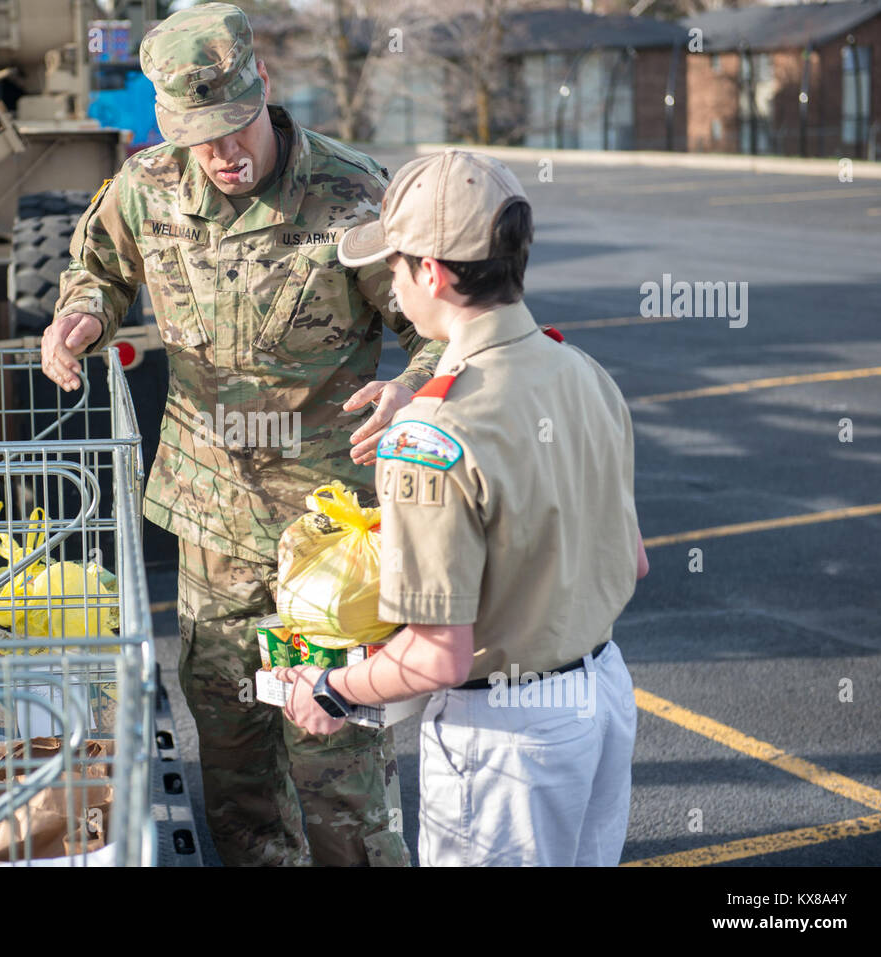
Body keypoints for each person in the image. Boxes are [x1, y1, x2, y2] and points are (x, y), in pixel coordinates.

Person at [40, 2, 444, 866]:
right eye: (199, 136)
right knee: (230, 740)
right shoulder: (146, 188)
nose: (222, 154)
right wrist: (78, 317)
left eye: (234, 127)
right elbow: (97, 269)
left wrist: (410, 387)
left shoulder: (352, 193)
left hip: (326, 533)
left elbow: (438, 324)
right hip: (213, 518)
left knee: (334, 754)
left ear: (263, 90)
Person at [276, 149, 650, 866]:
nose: (389, 279)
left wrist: (332, 690)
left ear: (434, 273)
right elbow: (629, 559)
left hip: (508, 739)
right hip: (601, 694)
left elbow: (439, 654)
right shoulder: (584, 372)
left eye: (393, 263)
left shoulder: (430, 432)